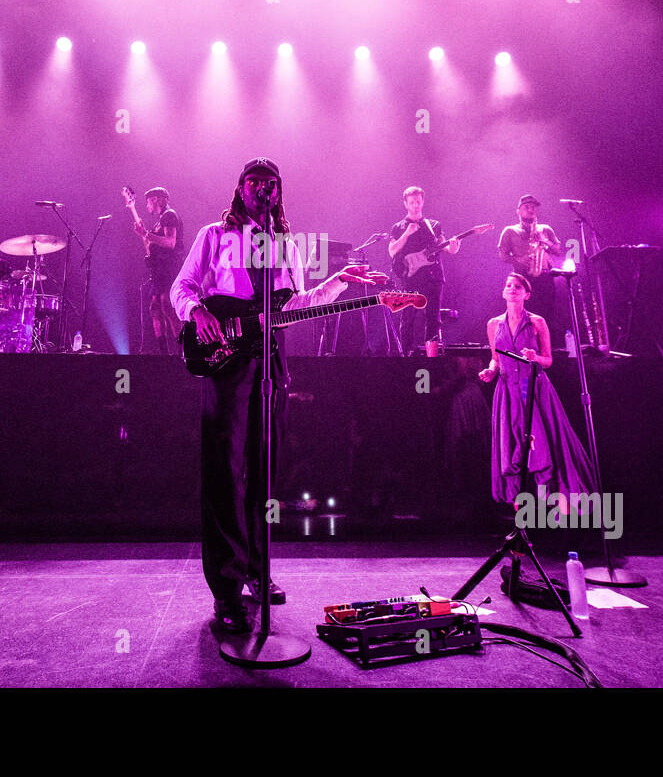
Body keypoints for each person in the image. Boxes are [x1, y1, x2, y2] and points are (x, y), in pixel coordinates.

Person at [171, 158, 386, 632]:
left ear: (278, 193)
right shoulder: (214, 235)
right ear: (240, 188)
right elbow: (181, 285)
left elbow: (297, 304)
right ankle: (226, 590)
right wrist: (197, 313)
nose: (263, 190)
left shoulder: (285, 244)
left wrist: (339, 283)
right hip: (225, 360)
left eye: (272, 184)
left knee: (265, 469)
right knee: (227, 472)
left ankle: (257, 571)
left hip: (272, 359)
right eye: (255, 182)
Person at [478, 273, 594, 506]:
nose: (512, 289)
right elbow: (496, 359)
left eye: (518, 286)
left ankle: (550, 502)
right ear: (503, 292)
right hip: (507, 390)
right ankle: (518, 507)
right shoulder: (493, 324)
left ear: (526, 294)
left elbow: (548, 360)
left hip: (533, 388)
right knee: (510, 444)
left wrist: (534, 358)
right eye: (508, 285)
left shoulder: (537, 322)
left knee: (539, 443)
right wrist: (490, 371)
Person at [389, 186, 458, 357]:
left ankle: (432, 356)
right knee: (408, 317)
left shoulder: (433, 225)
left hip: (433, 277)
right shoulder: (398, 227)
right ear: (405, 204)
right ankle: (406, 355)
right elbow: (392, 251)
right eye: (412, 202)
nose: (415, 205)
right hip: (410, 278)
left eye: (418, 202)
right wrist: (407, 233)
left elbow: (447, 247)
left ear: (423, 202)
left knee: (433, 319)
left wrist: (454, 246)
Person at [497, 195, 566, 341]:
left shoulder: (545, 229)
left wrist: (544, 240)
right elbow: (503, 256)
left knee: (548, 314)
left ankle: (549, 350)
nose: (530, 209)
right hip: (523, 279)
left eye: (533, 207)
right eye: (526, 207)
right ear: (518, 211)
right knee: (525, 315)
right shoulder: (509, 230)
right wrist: (518, 259)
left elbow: (558, 250)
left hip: (545, 277)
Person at [133, 187, 183, 355]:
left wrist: (146, 233)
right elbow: (152, 247)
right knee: (155, 309)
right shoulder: (160, 220)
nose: (147, 205)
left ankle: (180, 351)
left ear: (156, 200)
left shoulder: (169, 215)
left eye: (148, 201)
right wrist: (145, 235)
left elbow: (170, 243)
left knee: (166, 306)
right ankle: (164, 354)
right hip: (159, 271)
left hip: (169, 269)